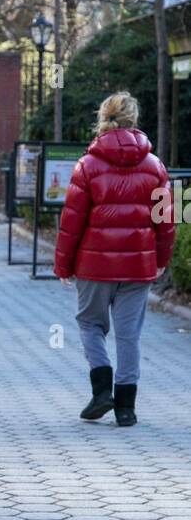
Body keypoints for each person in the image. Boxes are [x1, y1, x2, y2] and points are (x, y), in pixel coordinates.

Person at [54, 91, 174, 427]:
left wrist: (63, 265)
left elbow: (71, 221)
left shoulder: (87, 165)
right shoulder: (156, 166)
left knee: (91, 324)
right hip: (138, 266)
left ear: (102, 119)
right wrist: (160, 259)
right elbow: (166, 219)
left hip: (94, 266)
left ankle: (101, 388)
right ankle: (126, 407)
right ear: (134, 120)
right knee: (129, 334)